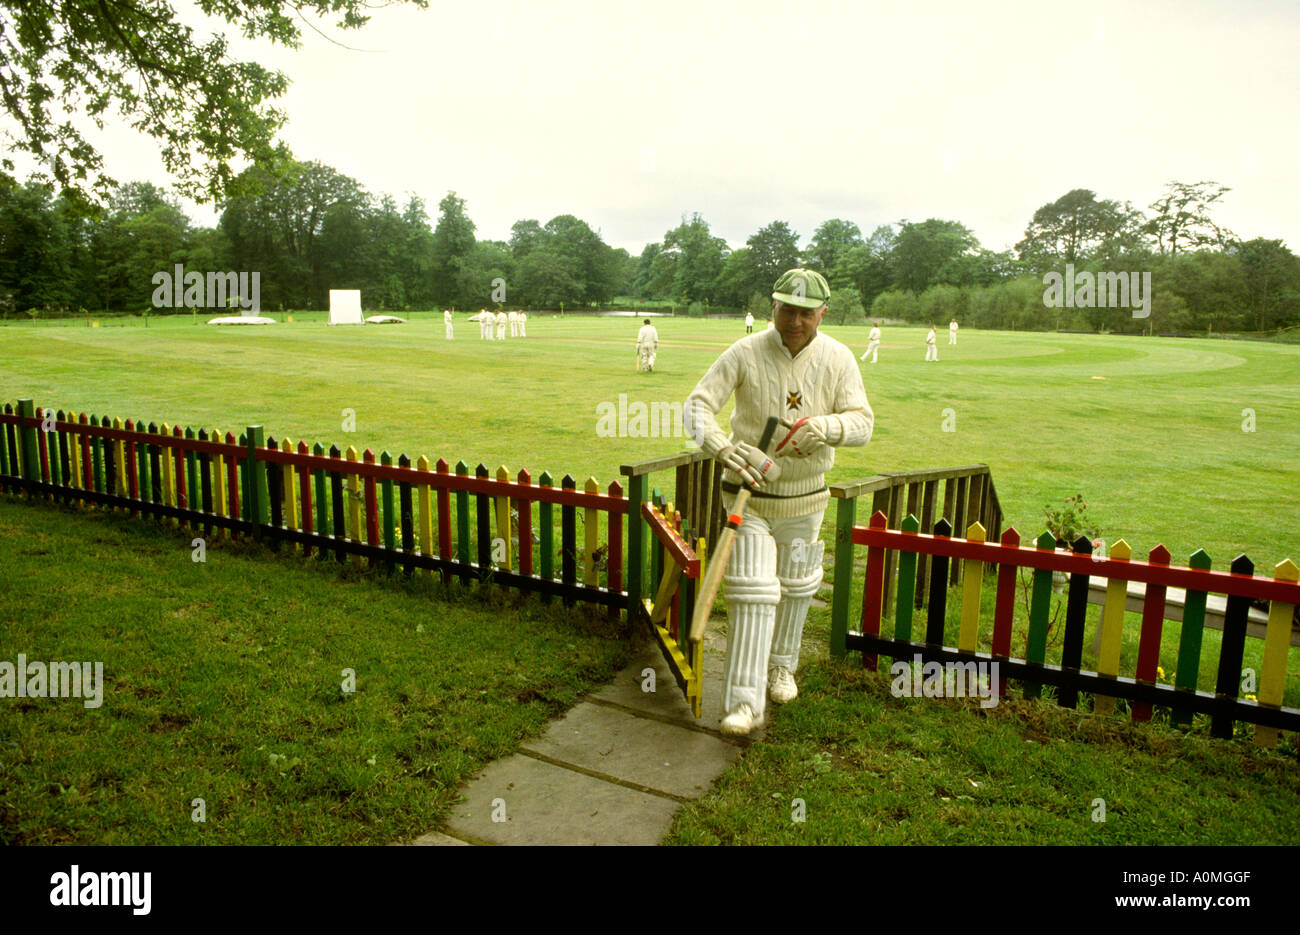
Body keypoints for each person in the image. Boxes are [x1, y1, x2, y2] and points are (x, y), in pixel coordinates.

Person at [685, 268, 873, 736]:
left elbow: (863, 423)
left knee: (797, 585)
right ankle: (743, 704)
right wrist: (723, 449)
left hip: (807, 497)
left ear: (822, 314)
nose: (795, 321)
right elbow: (696, 406)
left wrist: (827, 427)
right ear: (773, 307)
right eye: (787, 309)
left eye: (806, 313)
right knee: (752, 590)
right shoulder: (744, 351)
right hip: (746, 497)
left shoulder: (839, 358)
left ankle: (781, 667)